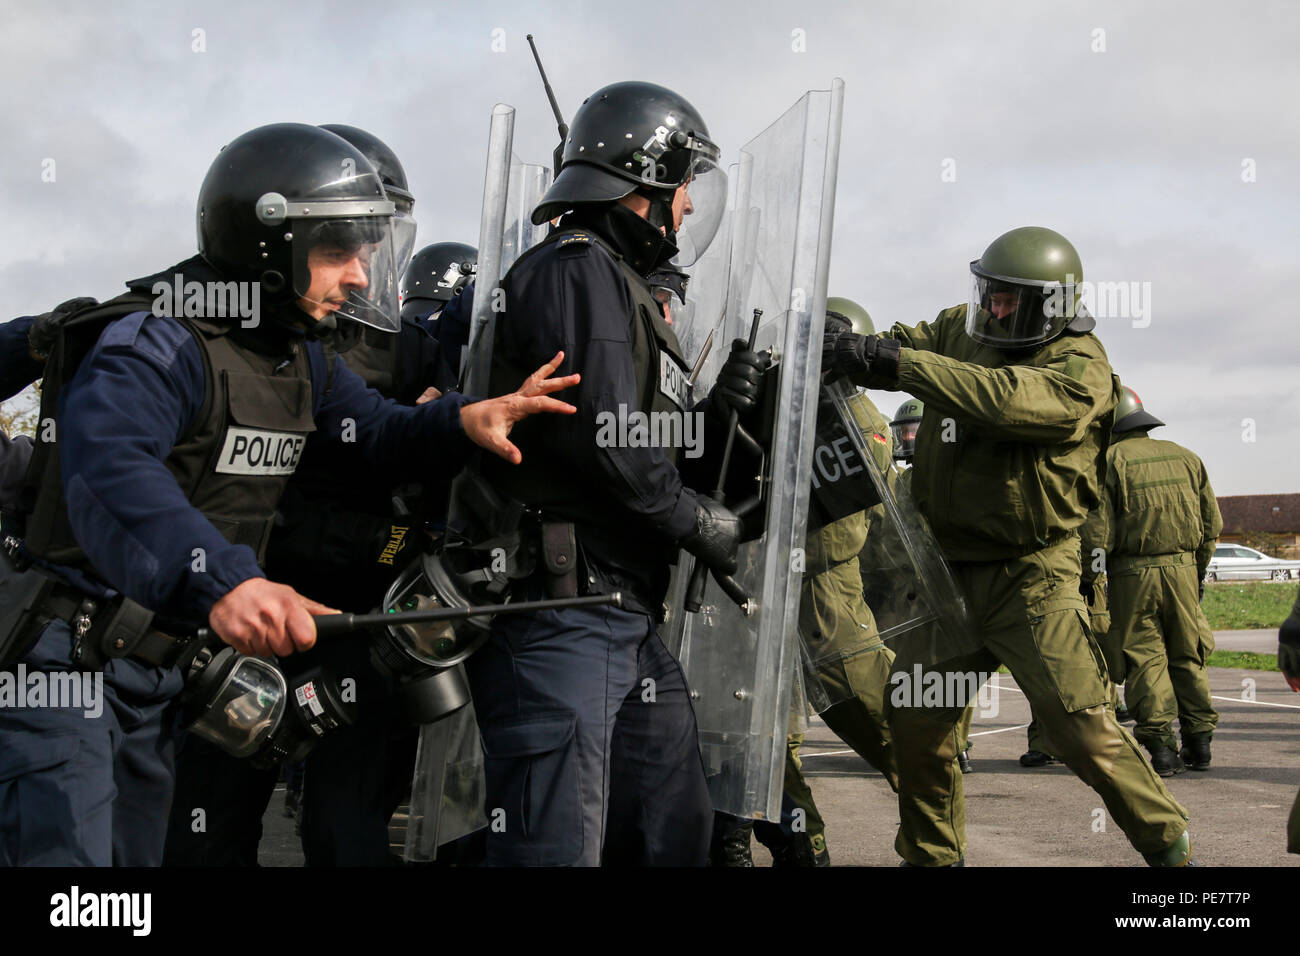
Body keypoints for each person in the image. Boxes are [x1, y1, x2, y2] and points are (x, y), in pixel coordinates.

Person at [0, 122, 577, 867]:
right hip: (68, 667)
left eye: (366, 253)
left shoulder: (298, 357)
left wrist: (464, 419)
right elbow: (112, 473)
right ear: (270, 246)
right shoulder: (157, 341)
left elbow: (376, 431)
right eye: (340, 253)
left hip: (160, 672)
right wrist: (227, 582)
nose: (361, 277)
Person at [822, 225, 1194, 866]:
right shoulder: (962, 329)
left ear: (1052, 305)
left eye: (1009, 299)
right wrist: (846, 340)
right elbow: (903, 343)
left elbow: (1004, 400)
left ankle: (1171, 851)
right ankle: (932, 857)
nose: (993, 309)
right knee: (916, 722)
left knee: (1080, 730)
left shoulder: (1080, 367)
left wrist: (897, 365)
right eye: (989, 294)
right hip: (947, 576)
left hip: (1031, 575)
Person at [466, 80, 753, 866]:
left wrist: (717, 417)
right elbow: (608, 435)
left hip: (620, 607)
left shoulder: (621, 286)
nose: (689, 206)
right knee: (555, 847)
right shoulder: (576, 269)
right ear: (646, 179)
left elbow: (641, 438)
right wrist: (693, 519)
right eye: (685, 184)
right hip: (563, 609)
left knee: (670, 831)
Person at [1100, 386, 1222, 774]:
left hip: (1132, 576)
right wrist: (1195, 572)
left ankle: (1162, 749)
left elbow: (1099, 534)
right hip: (1184, 570)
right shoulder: (1187, 458)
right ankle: (1200, 744)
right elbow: (1211, 526)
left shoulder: (1110, 462)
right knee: (1189, 654)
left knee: (1145, 658)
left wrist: (1092, 576)